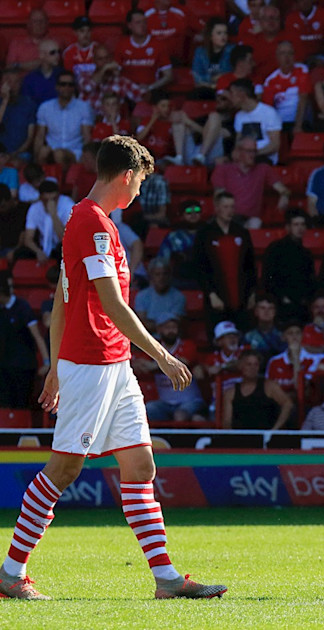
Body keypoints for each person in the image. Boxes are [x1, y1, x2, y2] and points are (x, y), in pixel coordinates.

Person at [0, 135, 226, 600]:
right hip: (93, 363)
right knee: (62, 471)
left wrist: (53, 365)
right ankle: (10, 572)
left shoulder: (82, 220)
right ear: (126, 175)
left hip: (110, 363)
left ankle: (166, 580)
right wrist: (162, 355)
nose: (140, 191)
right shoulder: (93, 224)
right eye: (141, 181)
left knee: (140, 465)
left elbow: (61, 301)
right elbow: (112, 304)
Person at [192, 191, 257, 332]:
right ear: (217, 208)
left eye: (232, 207)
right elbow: (200, 266)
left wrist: (252, 293)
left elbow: (250, 265)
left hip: (242, 299)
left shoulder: (241, 232)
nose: (229, 211)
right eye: (226, 207)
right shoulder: (205, 233)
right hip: (217, 299)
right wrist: (211, 294)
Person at [134, 313, 207, 422]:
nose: (171, 331)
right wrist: (156, 365)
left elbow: (183, 361)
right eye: (167, 328)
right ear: (159, 330)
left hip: (189, 401)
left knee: (180, 415)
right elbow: (139, 365)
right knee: (145, 410)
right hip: (165, 403)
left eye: (174, 327)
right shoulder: (153, 348)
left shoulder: (187, 345)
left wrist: (154, 365)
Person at [211, 135, 291, 228]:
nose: (252, 155)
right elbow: (218, 197)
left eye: (254, 151)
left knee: (255, 222)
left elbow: (283, 189)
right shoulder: (223, 169)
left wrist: (284, 195)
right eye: (249, 151)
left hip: (249, 220)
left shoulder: (263, 169)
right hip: (227, 217)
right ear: (239, 152)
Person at [0, 272, 50, 409]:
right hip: (4, 367)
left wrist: (46, 361)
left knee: (21, 404)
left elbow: (37, 336)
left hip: (23, 367)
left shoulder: (22, 307)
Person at [262, 209, 317, 321]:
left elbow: (310, 280)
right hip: (279, 305)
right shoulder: (275, 248)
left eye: (302, 224)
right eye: (296, 224)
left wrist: (305, 299)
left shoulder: (306, 253)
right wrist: (282, 297)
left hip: (302, 305)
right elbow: (268, 276)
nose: (300, 228)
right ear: (288, 227)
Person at [33, 71, 93, 169]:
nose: (66, 88)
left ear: (74, 87)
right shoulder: (45, 107)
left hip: (74, 151)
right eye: (63, 84)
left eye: (70, 85)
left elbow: (86, 136)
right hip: (51, 149)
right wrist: (35, 157)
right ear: (57, 87)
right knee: (43, 152)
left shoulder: (83, 107)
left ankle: (61, 182)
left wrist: (86, 157)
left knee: (59, 154)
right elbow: (40, 136)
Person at [222, 350, 295, 430]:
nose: (252, 368)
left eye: (256, 364)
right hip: (241, 439)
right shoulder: (231, 393)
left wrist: (274, 430)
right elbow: (227, 422)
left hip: (265, 437)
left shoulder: (269, 386)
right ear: (240, 366)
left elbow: (288, 404)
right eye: (248, 364)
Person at [230, 78, 282, 164]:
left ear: (242, 95)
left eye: (232, 94)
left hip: (264, 158)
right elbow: (238, 142)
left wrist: (252, 154)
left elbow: (274, 146)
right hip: (244, 160)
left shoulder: (269, 112)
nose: (230, 98)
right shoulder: (239, 116)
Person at [22, 180, 74, 262]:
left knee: (62, 250)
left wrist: (53, 215)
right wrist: (38, 251)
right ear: (40, 198)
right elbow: (28, 238)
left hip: (61, 246)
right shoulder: (35, 208)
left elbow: (66, 239)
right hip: (43, 245)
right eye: (47, 200)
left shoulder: (68, 205)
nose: (50, 202)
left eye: (54, 199)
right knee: (22, 253)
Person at [134, 258, 186, 334]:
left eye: (165, 274)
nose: (161, 278)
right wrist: (165, 327)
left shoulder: (179, 297)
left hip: (170, 339)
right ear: (151, 276)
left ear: (170, 276)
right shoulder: (141, 296)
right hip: (148, 338)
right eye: (157, 274)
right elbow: (141, 323)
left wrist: (155, 326)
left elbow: (174, 326)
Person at [191, 16, 234, 95]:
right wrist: (213, 79)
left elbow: (230, 75)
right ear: (210, 36)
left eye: (225, 33)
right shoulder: (200, 52)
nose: (223, 36)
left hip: (227, 90)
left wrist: (211, 81)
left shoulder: (232, 50)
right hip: (204, 89)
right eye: (219, 33)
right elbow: (197, 76)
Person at [242, 295, 284, 359]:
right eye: (262, 308)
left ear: (274, 312)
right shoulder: (248, 337)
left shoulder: (282, 335)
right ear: (256, 312)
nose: (266, 311)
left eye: (270, 308)